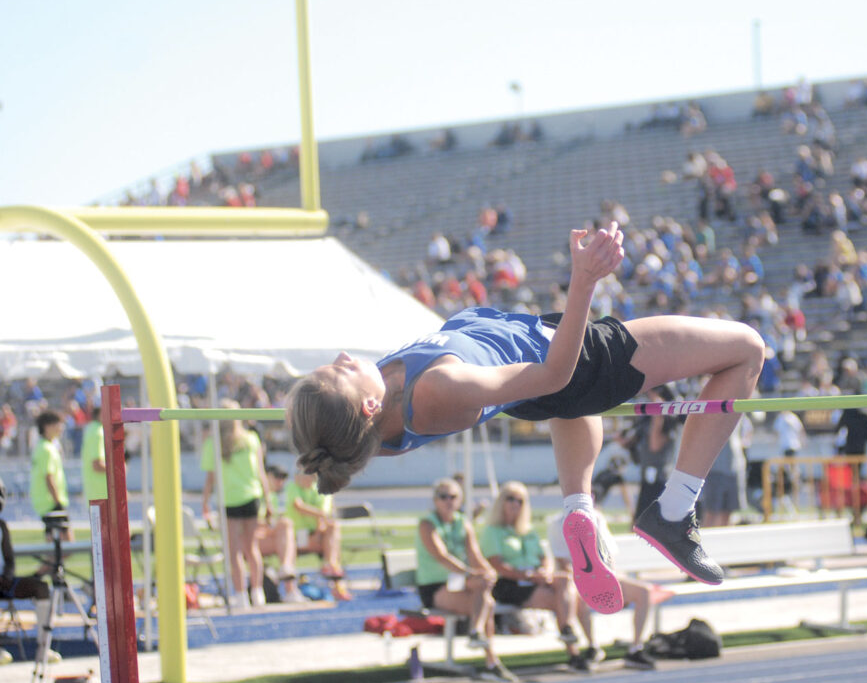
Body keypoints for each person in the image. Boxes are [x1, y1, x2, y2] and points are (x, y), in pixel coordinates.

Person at [285, 222, 766, 614]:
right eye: (339, 370)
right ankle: (675, 510)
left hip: (532, 378)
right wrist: (585, 280)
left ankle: (579, 512)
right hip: (570, 360)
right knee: (746, 349)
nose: (345, 356)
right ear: (368, 407)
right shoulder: (439, 388)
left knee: (573, 406)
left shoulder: (372, 422)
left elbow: (337, 435)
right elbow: (556, 374)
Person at [415, 478, 516, 682]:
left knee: (485, 596)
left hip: (459, 582)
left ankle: (478, 636)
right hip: (435, 587)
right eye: (443, 496)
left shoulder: (463, 522)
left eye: (453, 496)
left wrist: (488, 572)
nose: (448, 501)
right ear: (435, 500)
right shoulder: (427, 524)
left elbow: (475, 555)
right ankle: (489, 659)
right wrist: (471, 574)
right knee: (486, 602)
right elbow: (441, 556)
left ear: (460, 500)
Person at [479, 482, 587, 671]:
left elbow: (543, 557)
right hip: (509, 583)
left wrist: (544, 572)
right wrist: (529, 575)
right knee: (566, 600)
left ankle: (569, 632)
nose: (515, 504)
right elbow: (496, 565)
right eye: (510, 499)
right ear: (501, 502)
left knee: (565, 581)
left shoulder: (528, 531)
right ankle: (573, 648)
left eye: (520, 500)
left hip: (534, 580)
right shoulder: (492, 531)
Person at [545, 508, 667, 671]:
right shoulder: (557, 524)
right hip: (577, 580)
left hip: (603, 576)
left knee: (643, 591)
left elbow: (608, 554)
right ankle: (592, 647)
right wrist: (588, 579)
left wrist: (608, 580)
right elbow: (563, 562)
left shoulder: (597, 517)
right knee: (579, 596)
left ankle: (635, 649)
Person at [201, 401, 273, 609]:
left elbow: (210, 478)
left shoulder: (214, 443)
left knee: (235, 551)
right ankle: (256, 592)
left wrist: (205, 501)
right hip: (249, 497)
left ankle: (242, 594)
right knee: (251, 548)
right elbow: (260, 472)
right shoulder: (250, 439)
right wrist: (268, 500)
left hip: (230, 499)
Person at [0, 477, 54, 665]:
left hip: (4, 582)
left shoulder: (2, 526)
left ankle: (43, 648)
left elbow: (9, 560)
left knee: (41, 588)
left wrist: (7, 575)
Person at [618, 384, 682, 525]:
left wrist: (657, 413)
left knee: (655, 523)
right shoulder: (647, 420)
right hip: (647, 478)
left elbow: (655, 445)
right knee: (638, 522)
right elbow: (629, 441)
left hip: (660, 479)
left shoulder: (668, 422)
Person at [285, 472, 352, 601]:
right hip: (297, 536)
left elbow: (325, 515)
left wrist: (317, 531)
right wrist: (318, 518)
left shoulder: (320, 490)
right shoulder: (293, 487)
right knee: (332, 542)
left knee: (333, 529)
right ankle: (332, 571)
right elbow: (299, 506)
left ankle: (331, 568)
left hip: (317, 535)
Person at [256, 465, 306, 604]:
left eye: (283, 478)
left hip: (265, 538)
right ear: (265, 476)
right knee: (286, 527)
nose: (280, 481)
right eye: (277, 477)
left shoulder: (273, 497)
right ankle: (290, 586)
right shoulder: (256, 494)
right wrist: (273, 527)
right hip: (249, 542)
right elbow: (251, 525)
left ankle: (288, 577)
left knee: (288, 538)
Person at [30, 411, 73, 543]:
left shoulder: (45, 446)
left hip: (48, 503)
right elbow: (49, 477)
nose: (61, 428)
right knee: (65, 546)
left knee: (57, 551)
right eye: (58, 424)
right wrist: (58, 503)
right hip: (51, 504)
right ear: (47, 426)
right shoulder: (46, 449)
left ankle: (52, 564)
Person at [81, 406, 108, 503]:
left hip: (95, 492)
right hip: (102, 493)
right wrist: (119, 470)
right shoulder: (98, 432)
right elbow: (97, 465)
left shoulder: (91, 429)